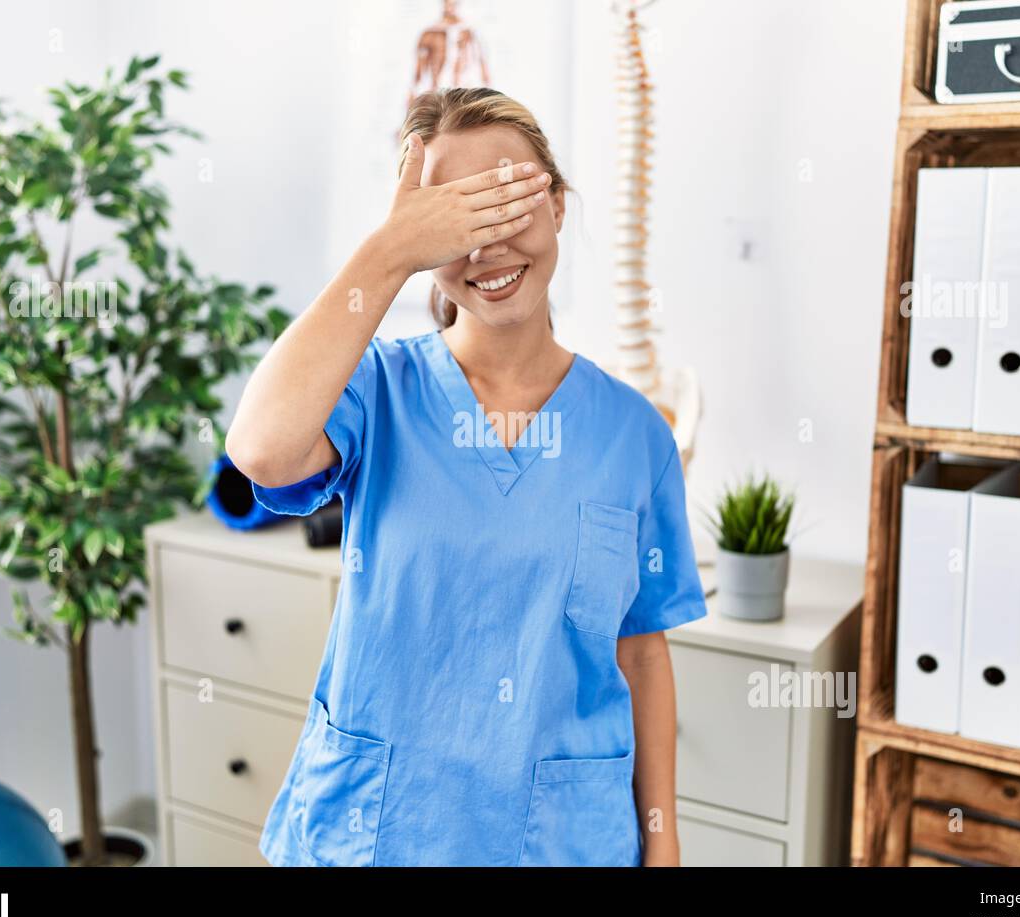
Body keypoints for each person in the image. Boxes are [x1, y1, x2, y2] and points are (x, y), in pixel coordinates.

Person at [226, 87, 706, 867]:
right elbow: (262, 451)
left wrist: (664, 843)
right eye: (454, 220)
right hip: (378, 835)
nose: (486, 247)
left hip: (560, 842)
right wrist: (387, 250)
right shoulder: (377, 392)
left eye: (507, 203)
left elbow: (642, 651)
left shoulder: (634, 435)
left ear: (555, 204)